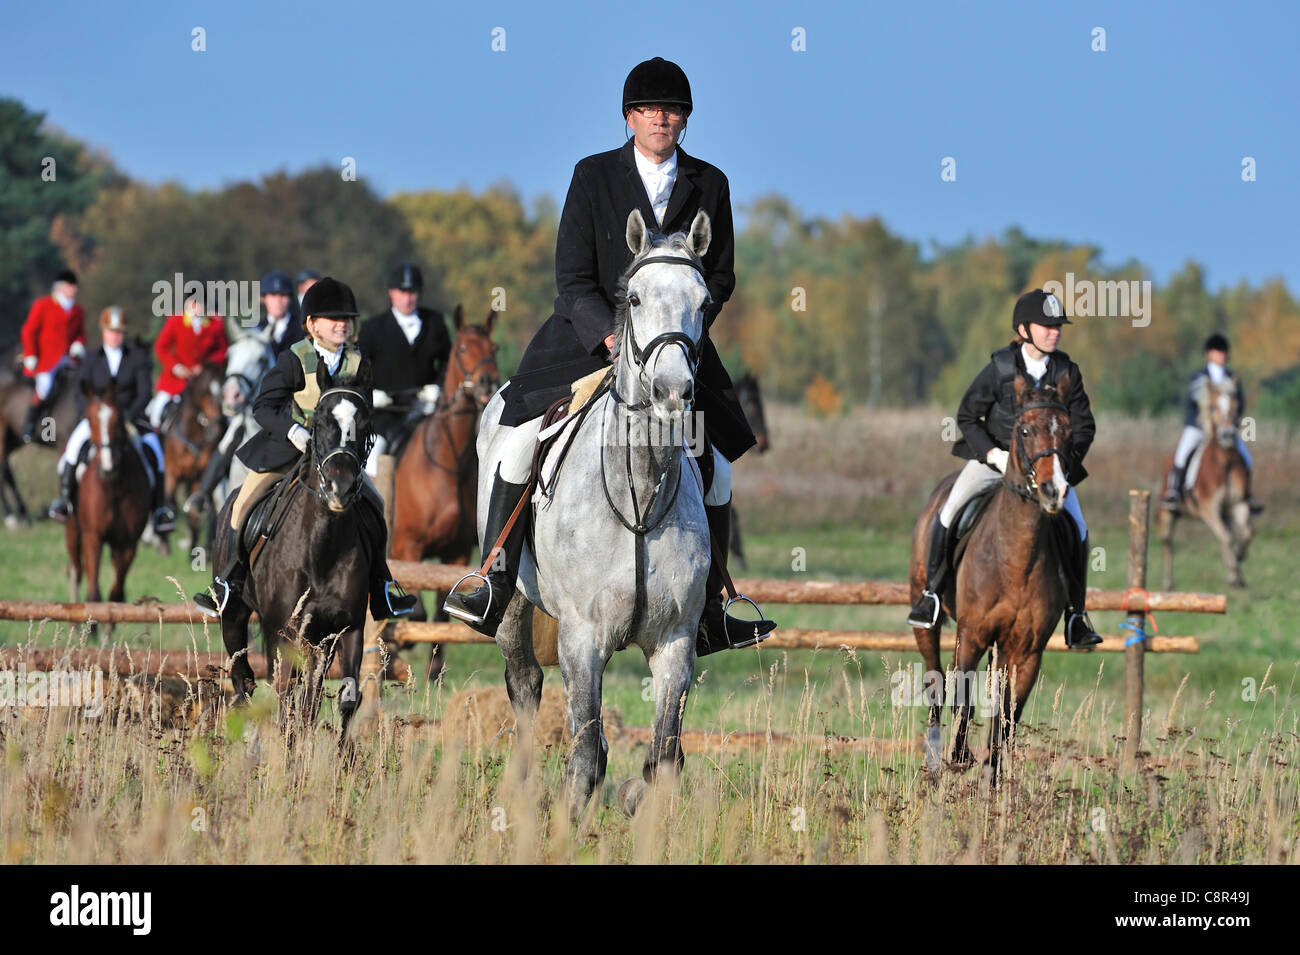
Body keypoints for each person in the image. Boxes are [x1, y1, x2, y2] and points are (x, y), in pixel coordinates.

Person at [443, 56, 776, 652]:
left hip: (675, 349)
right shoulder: (592, 176)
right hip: (584, 342)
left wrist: (680, 330)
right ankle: (491, 576)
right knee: (517, 439)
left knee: (716, 465)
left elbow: (719, 276)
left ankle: (714, 605)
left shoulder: (712, 184)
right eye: (650, 109)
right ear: (629, 118)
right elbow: (572, 278)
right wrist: (611, 336)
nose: (661, 118)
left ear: (685, 120)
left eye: (672, 110)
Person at [192, 277, 417, 620]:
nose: (341, 324)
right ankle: (229, 581)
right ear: (312, 324)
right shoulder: (295, 359)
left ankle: (382, 586)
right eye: (332, 318)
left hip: (338, 459)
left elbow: (365, 413)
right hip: (289, 451)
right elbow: (263, 407)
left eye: (346, 318)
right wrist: (294, 430)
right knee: (242, 506)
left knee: (376, 506)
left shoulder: (358, 363)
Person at [906, 289, 1102, 649]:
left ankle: (1076, 615)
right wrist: (993, 455)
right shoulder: (1000, 367)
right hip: (995, 463)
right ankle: (932, 596)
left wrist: (1062, 467)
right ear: (1024, 329)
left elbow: (1085, 426)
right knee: (947, 512)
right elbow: (967, 416)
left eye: (1057, 325)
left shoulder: (1066, 371)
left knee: (1080, 527)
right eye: (1046, 326)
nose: (1054, 331)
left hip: (1046, 472)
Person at [49, 307, 174, 532]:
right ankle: (65, 501)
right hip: (97, 420)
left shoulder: (135, 358)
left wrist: (128, 415)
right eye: (110, 331)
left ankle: (159, 511)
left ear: (124, 333)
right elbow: (79, 392)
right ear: (103, 332)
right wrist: (90, 413)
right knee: (73, 449)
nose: (115, 336)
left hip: (129, 417)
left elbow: (145, 392)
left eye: (119, 332)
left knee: (155, 449)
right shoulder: (90, 359)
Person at [356, 262, 450, 475]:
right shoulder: (373, 328)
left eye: (413, 292)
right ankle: (375, 505)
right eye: (403, 292)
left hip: (425, 410)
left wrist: (438, 387)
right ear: (391, 293)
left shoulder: (435, 323)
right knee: (372, 458)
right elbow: (359, 370)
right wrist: (371, 395)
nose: (408, 299)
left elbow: (448, 362)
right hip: (383, 414)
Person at [1162, 333, 1263, 513]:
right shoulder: (1198, 377)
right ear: (1209, 353)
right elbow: (1192, 404)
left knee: (1247, 457)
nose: (1221, 354)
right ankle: (1174, 490)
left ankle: (1248, 494)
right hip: (1199, 427)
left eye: (1223, 351)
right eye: (1217, 351)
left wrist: (1231, 424)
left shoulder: (1233, 378)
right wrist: (1204, 424)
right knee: (1181, 454)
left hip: (1225, 429)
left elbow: (1240, 404)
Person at [145, 287, 229, 429]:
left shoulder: (215, 324)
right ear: (188, 303)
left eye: (201, 303)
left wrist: (205, 366)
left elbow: (223, 351)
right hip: (176, 381)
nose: (198, 307)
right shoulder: (175, 321)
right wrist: (177, 367)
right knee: (156, 413)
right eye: (194, 302)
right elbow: (161, 347)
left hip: (204, 381)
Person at [20, 268, 86, 444]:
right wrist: (31, 354)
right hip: (46, 360)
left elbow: (80, 333)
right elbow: (29, 331)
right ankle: (30, 425)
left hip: (68, 358)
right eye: (71, 286)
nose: (74, 289)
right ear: (60, 287)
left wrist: (79, 344)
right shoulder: (43, 305)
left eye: (74, 286)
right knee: (45, 387)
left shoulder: (78, 310)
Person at [257, 270, 303, 359]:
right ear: (264, 298)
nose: (278, 301)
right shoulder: (256, 330)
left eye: (283, 295)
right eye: (273, 295)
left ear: (290, 298)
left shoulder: (303, 330)